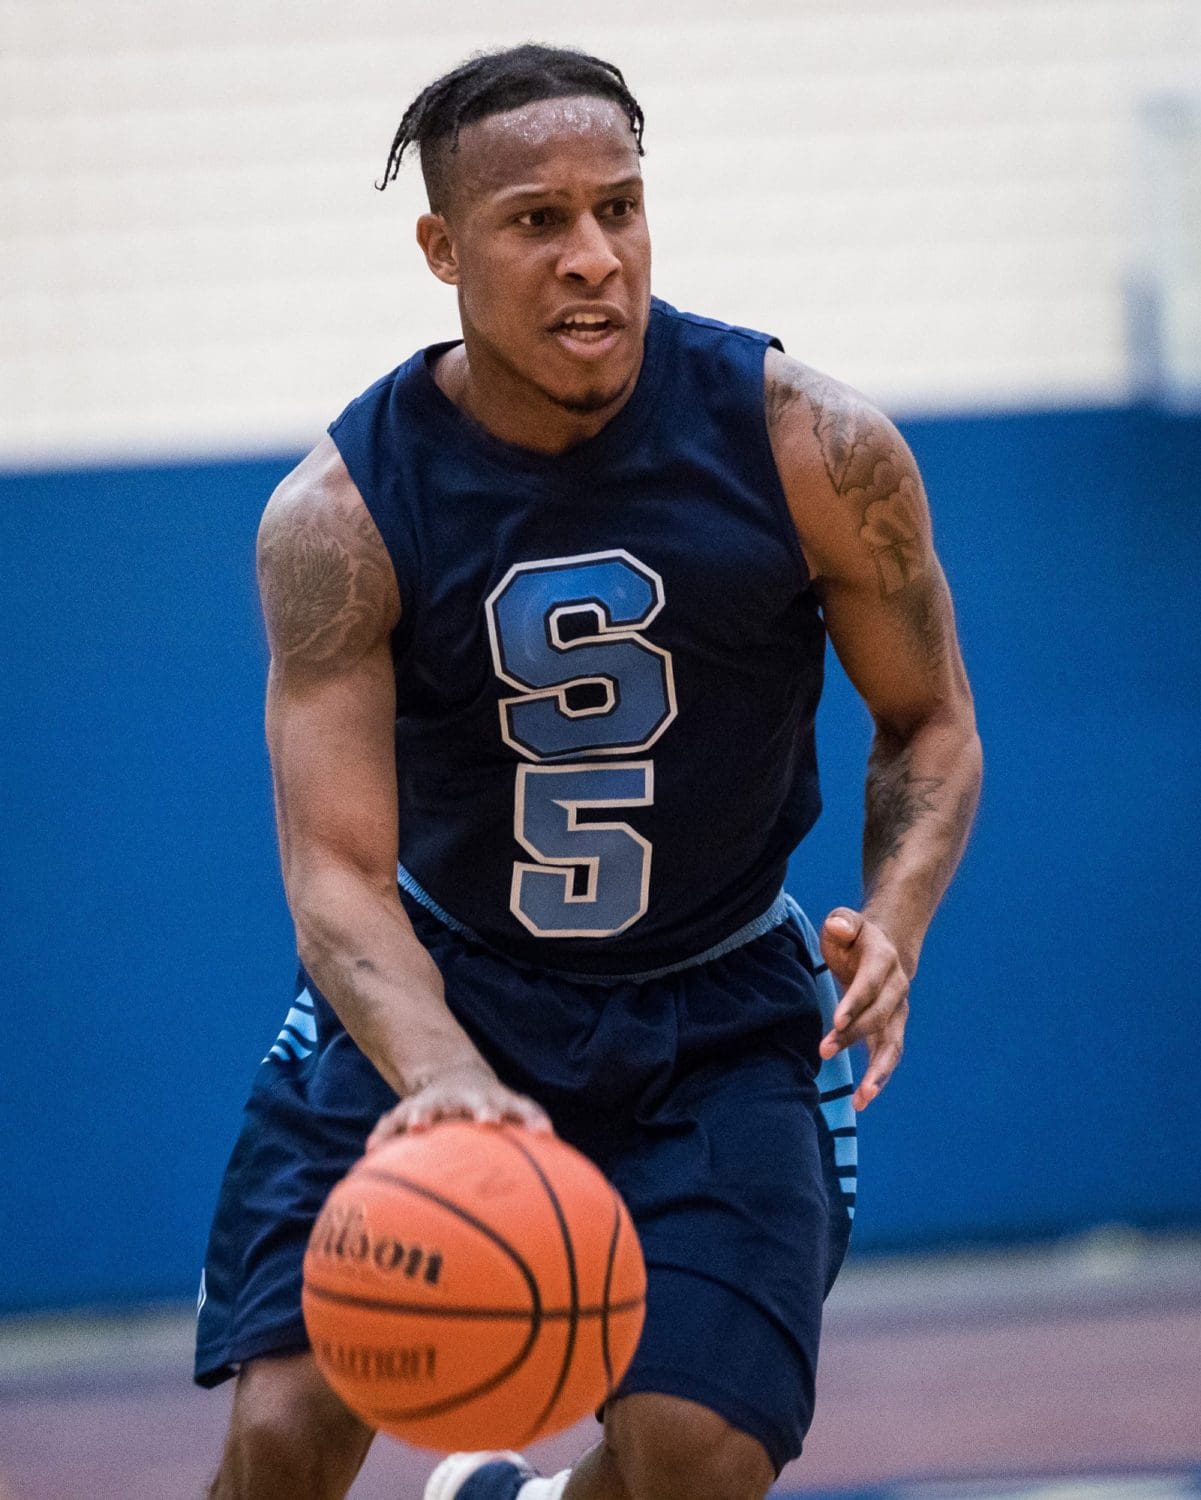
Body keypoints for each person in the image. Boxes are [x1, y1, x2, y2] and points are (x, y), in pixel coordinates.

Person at [195, 42, 982, 1500]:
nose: (592, 260)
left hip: (722, 1002)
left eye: (617, 209)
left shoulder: (812, 443)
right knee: (285, 1431)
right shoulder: (341, 512)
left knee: (697, 1455)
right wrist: (442, 1080)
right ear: (441, 247)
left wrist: (900, 910)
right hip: (448, 978)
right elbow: (334, 874)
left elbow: (927, 723)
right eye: (536, 220)